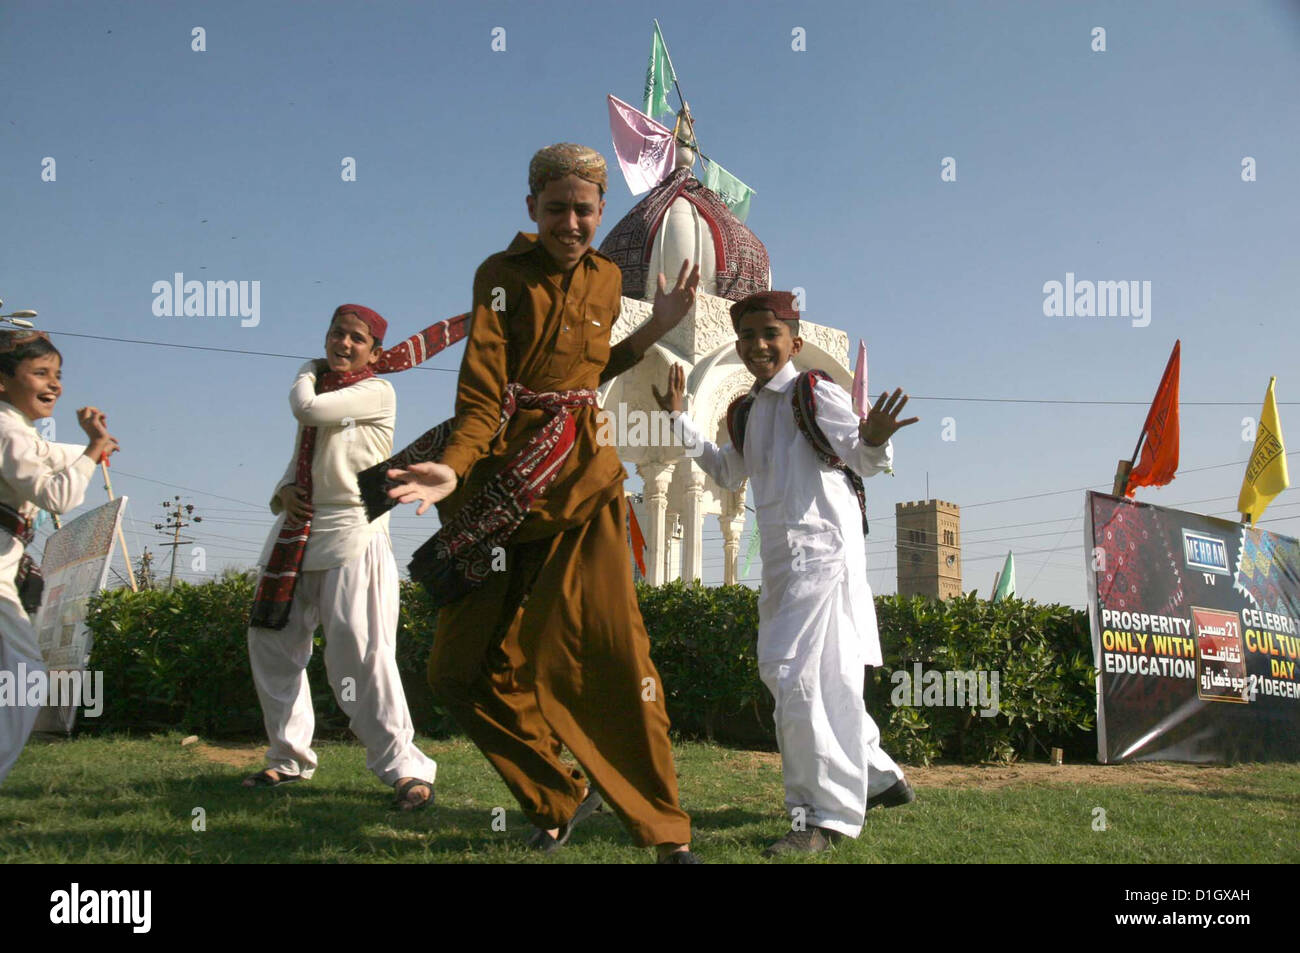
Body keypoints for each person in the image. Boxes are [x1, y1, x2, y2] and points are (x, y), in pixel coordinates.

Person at [382, 143, 702, 862]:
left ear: (598, 211)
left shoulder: (609, 278)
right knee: (456, 672)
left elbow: (594, 365)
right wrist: (450, 466)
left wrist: (657, 323)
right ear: (531, 207)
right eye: (556, 207)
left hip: (585, 487)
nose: (570, 221)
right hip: (501, 489)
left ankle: (665, 832)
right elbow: (482, 390)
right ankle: (556, 794)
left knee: (615, 653)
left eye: (584, 208)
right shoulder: (500, 277)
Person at [655, 290, 918, 856]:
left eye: (769, 334)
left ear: (795, 343)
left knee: (801, 681)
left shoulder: (814, 392)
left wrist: (874, 439)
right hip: (782, 567)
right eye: (747, 336)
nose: (757, 346)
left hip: (822, 557)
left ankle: (822, 817)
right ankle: (878, 777)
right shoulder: (746, 411)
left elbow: (863, 455)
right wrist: (681, 423)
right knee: (814, 679)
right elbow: (728, 474)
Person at [244, 304, 442, 811]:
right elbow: (305, 454)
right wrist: (285, 489)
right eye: (338, 334)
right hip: (297, 529)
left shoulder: (374, 390)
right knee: (271, 641)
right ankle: (288, 757)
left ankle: (405, 768)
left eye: (357, 339)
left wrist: (304, 370)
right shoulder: (326, 389)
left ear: (375, 352)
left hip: (352, 527)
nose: (344, 344)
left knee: (361, 651)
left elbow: (306, 411)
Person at [0, 330, 117, 786]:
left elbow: (48, 454)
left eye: (58, 375)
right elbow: (57, 494)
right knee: (26, 675)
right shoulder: (7, 430)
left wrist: (97, 445)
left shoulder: (15, 429)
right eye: (40, 373)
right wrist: (92, 450)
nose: (54, 385)